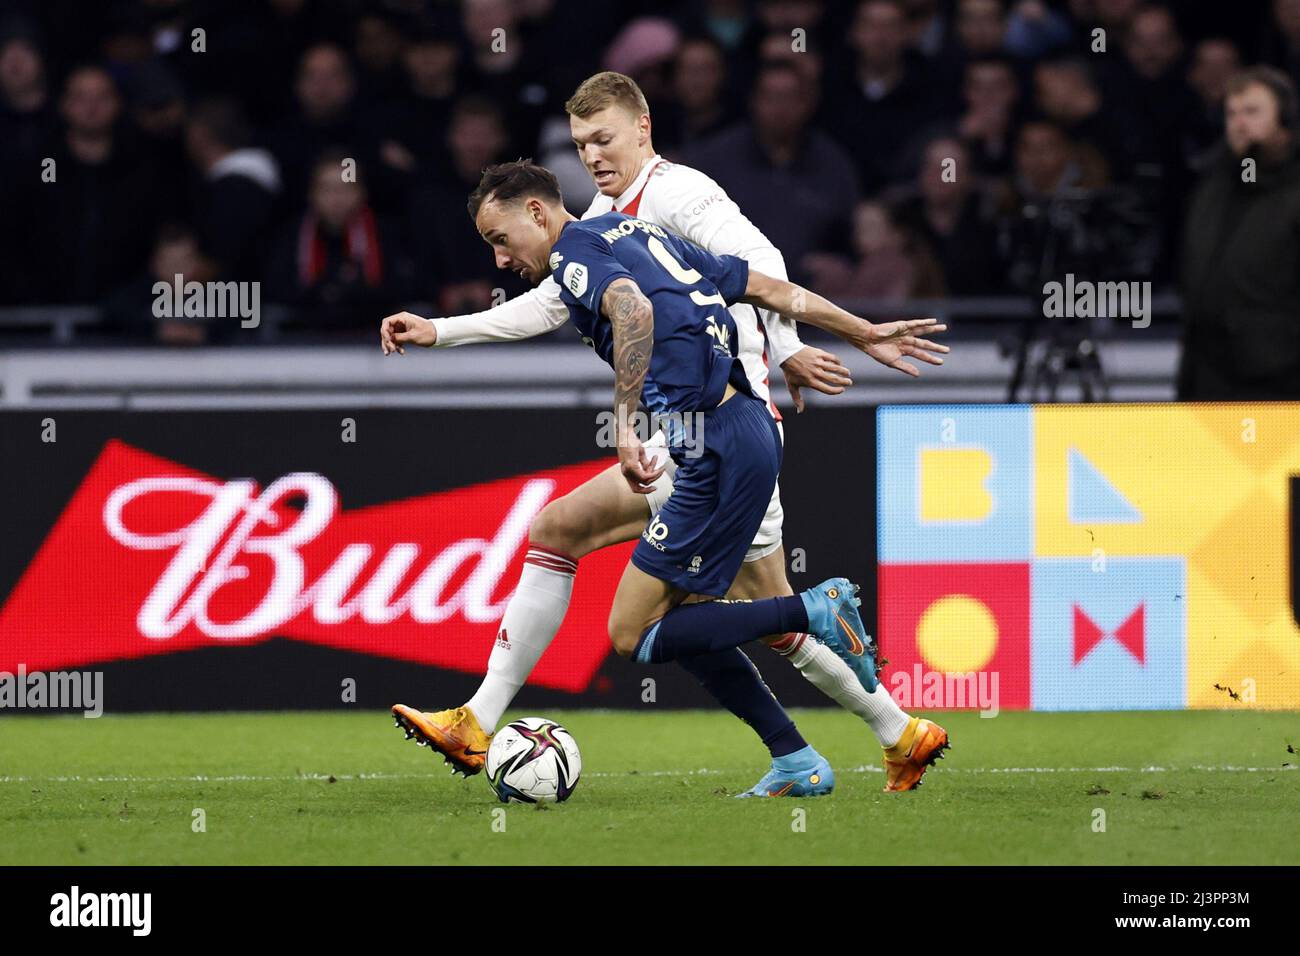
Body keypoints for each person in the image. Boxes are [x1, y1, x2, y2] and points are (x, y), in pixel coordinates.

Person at [380, 72, 951, 795]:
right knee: (590, 549)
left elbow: (760, 268)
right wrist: (440, 331)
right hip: (696, 434)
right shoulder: (608, 217)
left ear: (643, 128)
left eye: (605, 138)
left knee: (691, 618)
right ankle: (880, 737)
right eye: (582, 143)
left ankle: (849, 717)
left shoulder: (681, 194)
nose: (592, 155)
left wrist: (784, 348)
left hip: (716, 425)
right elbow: (560, 302)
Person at [1178, 66, 1300, 399]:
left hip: (1280, 376)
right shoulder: (1211, 186)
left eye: (1253, 111)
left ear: (1286, 120)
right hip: (1206, 370)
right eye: (1231, 114)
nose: (1239, 123)